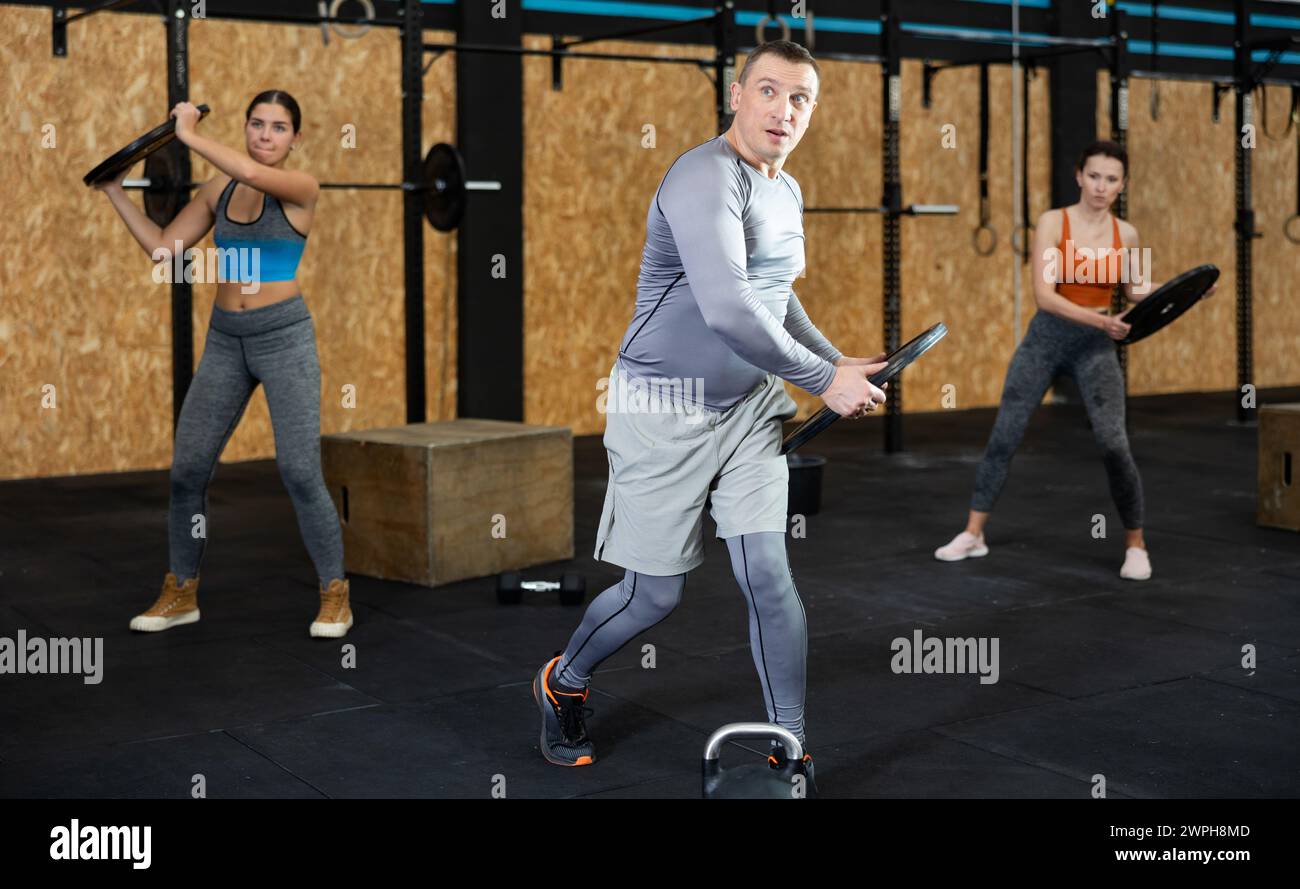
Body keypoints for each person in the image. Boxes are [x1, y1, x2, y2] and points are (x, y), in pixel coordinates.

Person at [531, 40, 887, 787]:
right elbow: (727, 309)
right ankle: (564, 678)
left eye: (800, 98)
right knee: (652, 593)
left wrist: (837, 359)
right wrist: (825, 379)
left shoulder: (783, 191)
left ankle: (788, 742)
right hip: (662, 407)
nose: (783, 110)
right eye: (768, 90)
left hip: (750, 407)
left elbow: (774, 294)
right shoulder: (703, 176)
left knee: (767, 570)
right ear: (735, 94)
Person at [96, 90, 352, 637]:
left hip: (284, 337)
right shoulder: (217, 188)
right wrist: (116, 193)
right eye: (257, 124)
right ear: (245, 127)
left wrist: (187, 134)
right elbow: (165, 250)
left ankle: (335, 594)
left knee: (299, 471)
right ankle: (181, 591)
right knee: (187, 471)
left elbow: (254, 176)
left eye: (279, 128)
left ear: (295, 139)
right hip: (226, 340)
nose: (265, 136)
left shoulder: (301, 188)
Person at [935, 140, 1207, 580]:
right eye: (1094, 176)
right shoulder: (1052, 223)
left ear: (1122, 184)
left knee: (1114, 444)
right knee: (1005, 435)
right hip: (1047, 338)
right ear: (1080, 176)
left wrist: (1190, 288)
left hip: (1094, 348)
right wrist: (1103, 324)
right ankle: (973, 534)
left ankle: (1136, 545)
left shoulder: (1128, 234)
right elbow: (1046, 296)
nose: (1101, 187)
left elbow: (1137, 290)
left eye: (1111, 179)